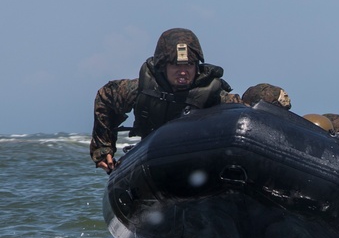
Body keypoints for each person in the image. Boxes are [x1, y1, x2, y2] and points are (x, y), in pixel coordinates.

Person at [90, 28, 240, 173]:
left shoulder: (213, 94)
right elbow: (106, 96)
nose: (183, 72)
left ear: (197, 66)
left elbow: (244, 115)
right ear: (162, 65)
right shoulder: (140, 89)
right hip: (153, 157)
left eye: (188, 65)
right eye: (176, 64)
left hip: (198, 158)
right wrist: (103, 147)